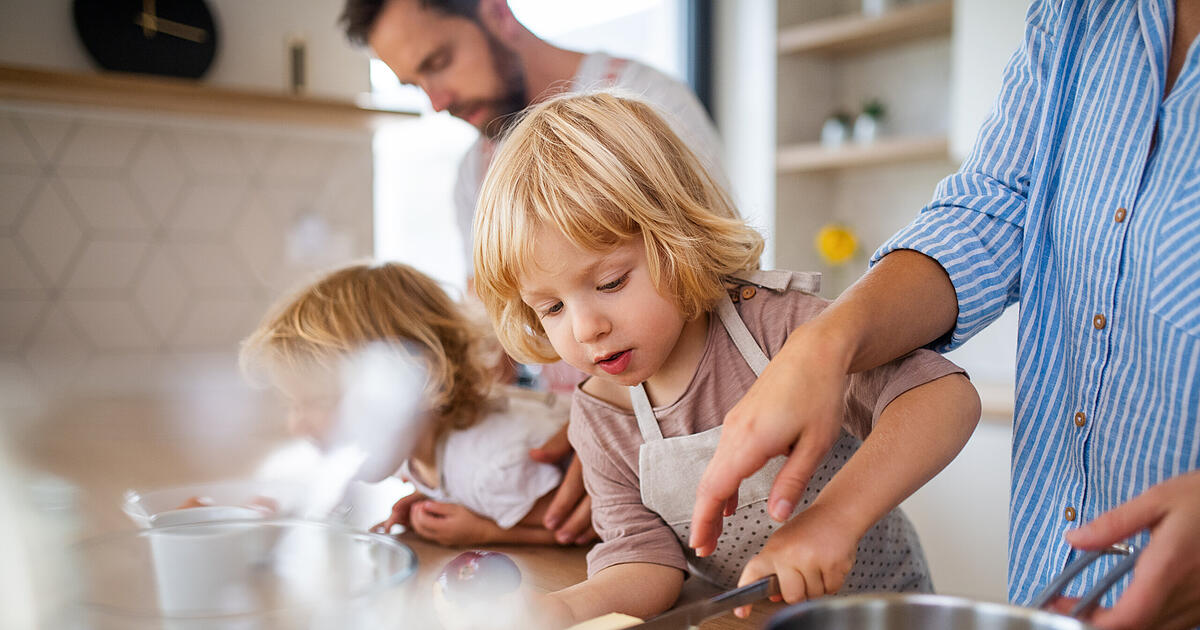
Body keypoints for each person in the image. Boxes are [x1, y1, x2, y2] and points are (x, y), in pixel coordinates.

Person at [689, 1, 1200, 628]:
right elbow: (997, 204)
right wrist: (827, 346)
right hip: (1049, 578)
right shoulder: (1078, 11)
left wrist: (834, 514)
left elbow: (944, 401)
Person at [470, 91, 981, 625]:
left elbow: (943, 396)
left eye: (609, 282)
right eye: (550, 307)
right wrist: (561, 608)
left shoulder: (779, 329)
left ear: (678, 238)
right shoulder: (602, 417)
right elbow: (644, 561)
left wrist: (833, 520)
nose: (585, 329)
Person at [339, 0, 728, 546]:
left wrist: (609, 428)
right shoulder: (475, 176)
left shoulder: (648, 107)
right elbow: (492, 343)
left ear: (495, 13)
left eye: (439, 60)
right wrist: (451, 477)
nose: (437, 100)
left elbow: (717, 289)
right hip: (578, 473)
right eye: (414, 84)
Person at [240, 261, 575, 546]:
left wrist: (485, 529)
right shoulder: (419, 443)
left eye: (320, 401)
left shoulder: (489, 468)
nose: (296, 425)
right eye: (293, 404)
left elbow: (581, 524)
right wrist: (444, 497)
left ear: (414, 381)